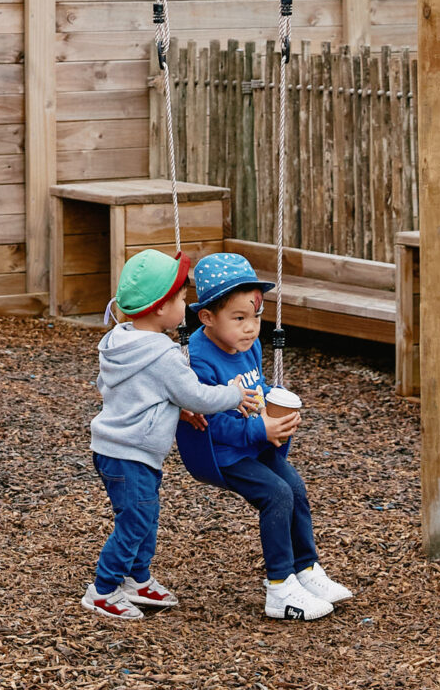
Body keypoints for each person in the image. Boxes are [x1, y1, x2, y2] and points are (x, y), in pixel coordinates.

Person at [83, 248, 262, 623]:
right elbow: (196, 393)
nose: (187, 305)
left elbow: (123, 387)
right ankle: (103, 589)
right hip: (130, 452)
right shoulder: (163, 355)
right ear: (162, 308)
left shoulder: (120, 341)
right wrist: (233, 394)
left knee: (144, 516)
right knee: (134, 520)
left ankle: (137, 577)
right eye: (182, 299)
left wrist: (173, 407)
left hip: (115, 448)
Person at [176, 251, 352, 623]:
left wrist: (276, 411)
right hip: (221, 454)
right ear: (207, 317)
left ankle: (306, 571)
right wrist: (261, 427)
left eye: (255, 316)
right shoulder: (199, 359)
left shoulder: (250, 345)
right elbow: (207, 421)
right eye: (238, 318)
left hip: (252, 444)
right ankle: (280, 587)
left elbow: (254, 389)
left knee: (296, 489)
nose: (250, 327)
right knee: (276, 494)